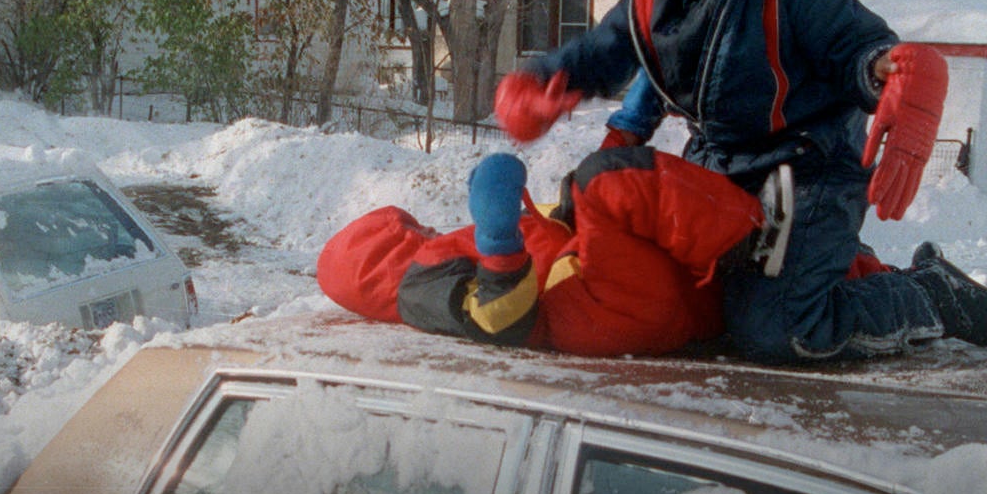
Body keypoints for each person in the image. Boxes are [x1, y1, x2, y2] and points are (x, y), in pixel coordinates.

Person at [494, 0, 987, 361]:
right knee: (694, 302)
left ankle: (930, 294)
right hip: (718, 166)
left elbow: (856, 50)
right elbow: (608, 50)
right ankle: (823, 268)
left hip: (807, 168)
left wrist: (893, 73)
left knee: (776, 331)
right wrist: (545, 80)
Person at [320, 150, 768, 356]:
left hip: (597, 296)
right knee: (603, 182)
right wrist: (497, 235)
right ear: (386, 245)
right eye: (410, 227)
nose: (427, 227)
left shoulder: (432, 264)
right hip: (585, 309)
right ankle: (754, 230)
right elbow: (498, 319)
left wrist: (565, 213)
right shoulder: (416, 286)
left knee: (595, 192)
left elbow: (544, 238)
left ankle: (793, 270)